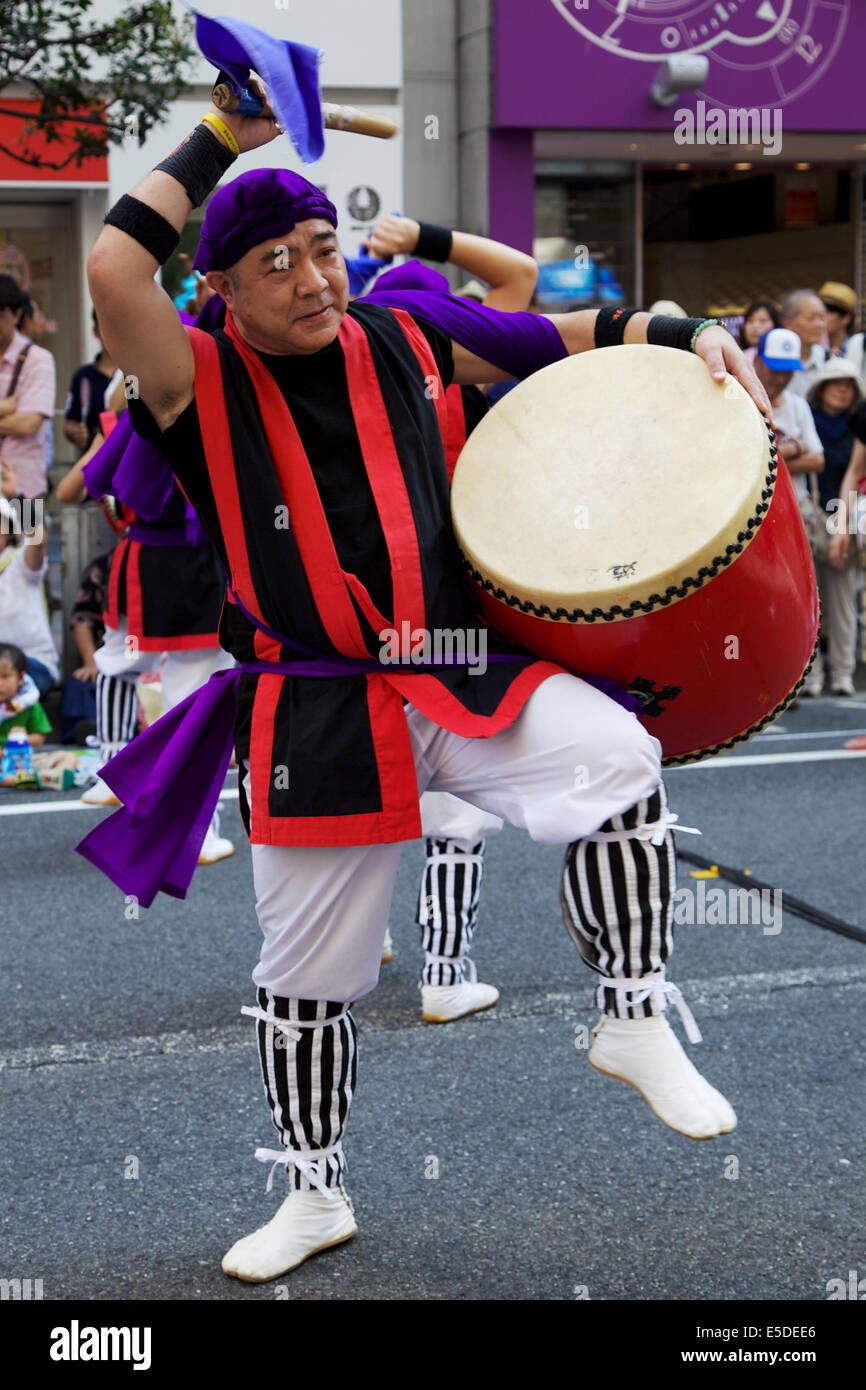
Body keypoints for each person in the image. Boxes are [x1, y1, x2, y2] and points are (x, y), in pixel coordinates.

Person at [83, 99, 770, 1283]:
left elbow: (567, 329)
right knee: (306, 982)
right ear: (226, 292)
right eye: (274, 263)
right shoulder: (190, 377)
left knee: (616, 757)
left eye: (319, 249)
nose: (310, 278)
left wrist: (690, 327)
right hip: (312, 708)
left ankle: (631, 1013)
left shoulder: (400, 336)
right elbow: (109, 262)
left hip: (452, 671)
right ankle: (312, 1193)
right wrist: (219, 137)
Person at [361, 213, 538, 1018]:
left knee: (361, 777)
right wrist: (425, 236)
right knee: (455, 801)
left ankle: (360, 943)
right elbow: (521, 276)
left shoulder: (349, 369)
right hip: (458, 605)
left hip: (358, 616)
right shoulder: (464, 378)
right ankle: (446, 971)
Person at [57, 394, 235, 862]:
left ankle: (111, 768)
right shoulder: (225, 400)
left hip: (147, 559)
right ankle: (197, 829)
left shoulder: (122, 413)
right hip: (196, 564)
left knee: (121, 662)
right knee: (194, 695)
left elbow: (72, 491)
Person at [805, 358, 866, 696]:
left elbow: (855, 475)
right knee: (810, 600)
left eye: (849, 384)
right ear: (822, 388)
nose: (843, 389)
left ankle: (842, 674)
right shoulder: (807, 419)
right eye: (836, 382)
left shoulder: (859, 426)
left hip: (841, 513)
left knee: (843, 599)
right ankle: (811, 676)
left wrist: (842, 522)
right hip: (808, 513)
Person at [0, 275, 57, 502]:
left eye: (1, 315)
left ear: (17, 316)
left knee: (31, 536)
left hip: (26, 486)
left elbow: (28, 424)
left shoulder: (39, 359)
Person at [0, 501, 60, 697]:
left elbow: (38, 540)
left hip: (33, 667)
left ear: (9, 531)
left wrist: (17, 496)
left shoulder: (20, 562)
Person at [64, 309, 118, 454]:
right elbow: (70, 422)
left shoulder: (133, 374)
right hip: (92, 458)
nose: (113, 333)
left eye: (117, 326)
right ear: (95, 332)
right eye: (106, 327)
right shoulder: (83, 377)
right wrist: (76, 433)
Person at [0, 640, 51, 750]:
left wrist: (22, 738)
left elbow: (40, 737)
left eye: (5, 676)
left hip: (18, 760)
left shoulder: (28, 702)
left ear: (20, 678)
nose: (0, 683)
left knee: (67, 758)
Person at [780, 290, 827, 398]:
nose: (819, 324)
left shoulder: (827, 360)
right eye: (811, 318)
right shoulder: (773, 360)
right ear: (788, 323)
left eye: (822, 317)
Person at [818, 281, 865, 378]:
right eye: (819, 309)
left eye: (828, 309)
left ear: (846, 318)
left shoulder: (860, 348)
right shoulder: (813, 349)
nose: (821, 315)